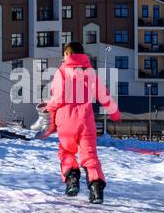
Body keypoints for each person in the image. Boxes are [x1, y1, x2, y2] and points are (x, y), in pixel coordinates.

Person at [42, 41, 120, 203]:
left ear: (66, 54)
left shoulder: (62, 72)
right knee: (90, 155)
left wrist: (48, 106)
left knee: (66, 151)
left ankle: (72, 181)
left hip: (66, 121)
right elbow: (102, 94)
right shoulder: (90, 72)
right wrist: (114, 112)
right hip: (86, 120)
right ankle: (96, 188)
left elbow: (58, 97)